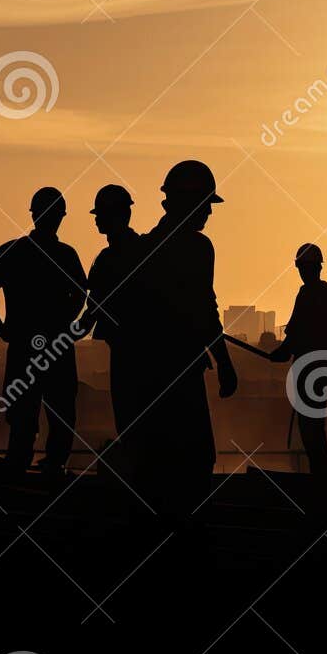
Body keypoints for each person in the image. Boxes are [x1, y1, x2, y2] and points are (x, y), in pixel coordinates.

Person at [129, 160, 237, 508]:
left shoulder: (145, 248)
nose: (209, 212)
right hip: (179, 369)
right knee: (195, 458)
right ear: (189, 202)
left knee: (157, 461)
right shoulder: (197, 248)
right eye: (205, 204)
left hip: (147, 374)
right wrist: (224, 362)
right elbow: (205, 311)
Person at [0, 187, 87, 476]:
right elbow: (80, 295)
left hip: (26, 344)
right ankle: (50, 463)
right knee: (58, 409)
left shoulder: (14, 252)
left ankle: (21, 460)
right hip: (55, 345)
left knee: (26, 410)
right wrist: (65, 323)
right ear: (60, 216)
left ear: (34, 214)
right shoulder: (65, 255)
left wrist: (1, 326)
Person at [80, 184, 147, 445]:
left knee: (129, 418)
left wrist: (59, 338)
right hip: (138, 350)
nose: (96, 220)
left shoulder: (108, 260)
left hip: (129, 352)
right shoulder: (143, 251)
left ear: (116, 216)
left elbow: (91, 314)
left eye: (100, 215)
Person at [269, 243, 327, 475]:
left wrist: (283, 351)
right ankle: (320, 473)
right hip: (316, 369)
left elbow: (297, 332)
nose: (303, 272)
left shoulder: (311, 294)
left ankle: (320, 475)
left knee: (311, 427)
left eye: (304, 268)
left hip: (311, 370)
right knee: (312, 426)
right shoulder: (322, 294)